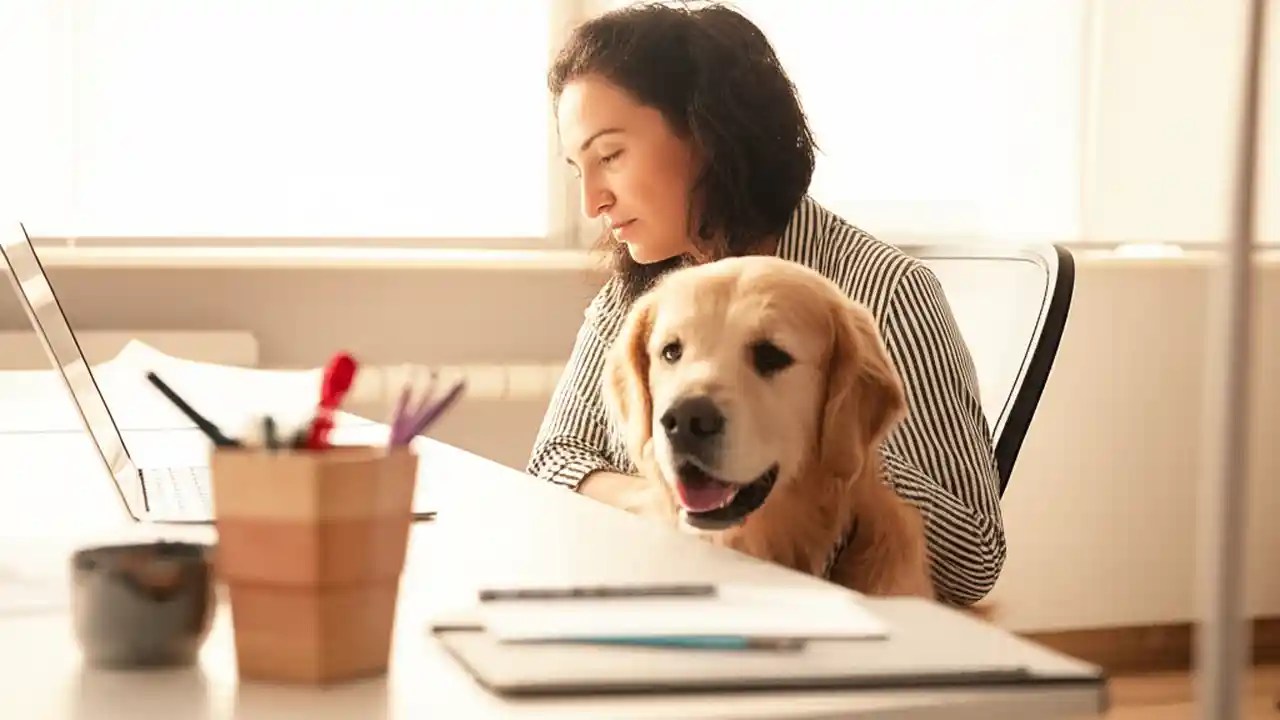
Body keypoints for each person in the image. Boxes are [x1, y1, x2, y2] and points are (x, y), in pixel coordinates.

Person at [526, 1, 1004, 607]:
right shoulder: (639, 296)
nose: (593, 200)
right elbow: (553, 461)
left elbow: (973, 559)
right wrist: (672, 498)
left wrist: (831, 438)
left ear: (709, 134)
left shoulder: (883, 288)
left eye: (611, 155)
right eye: (579, 169)